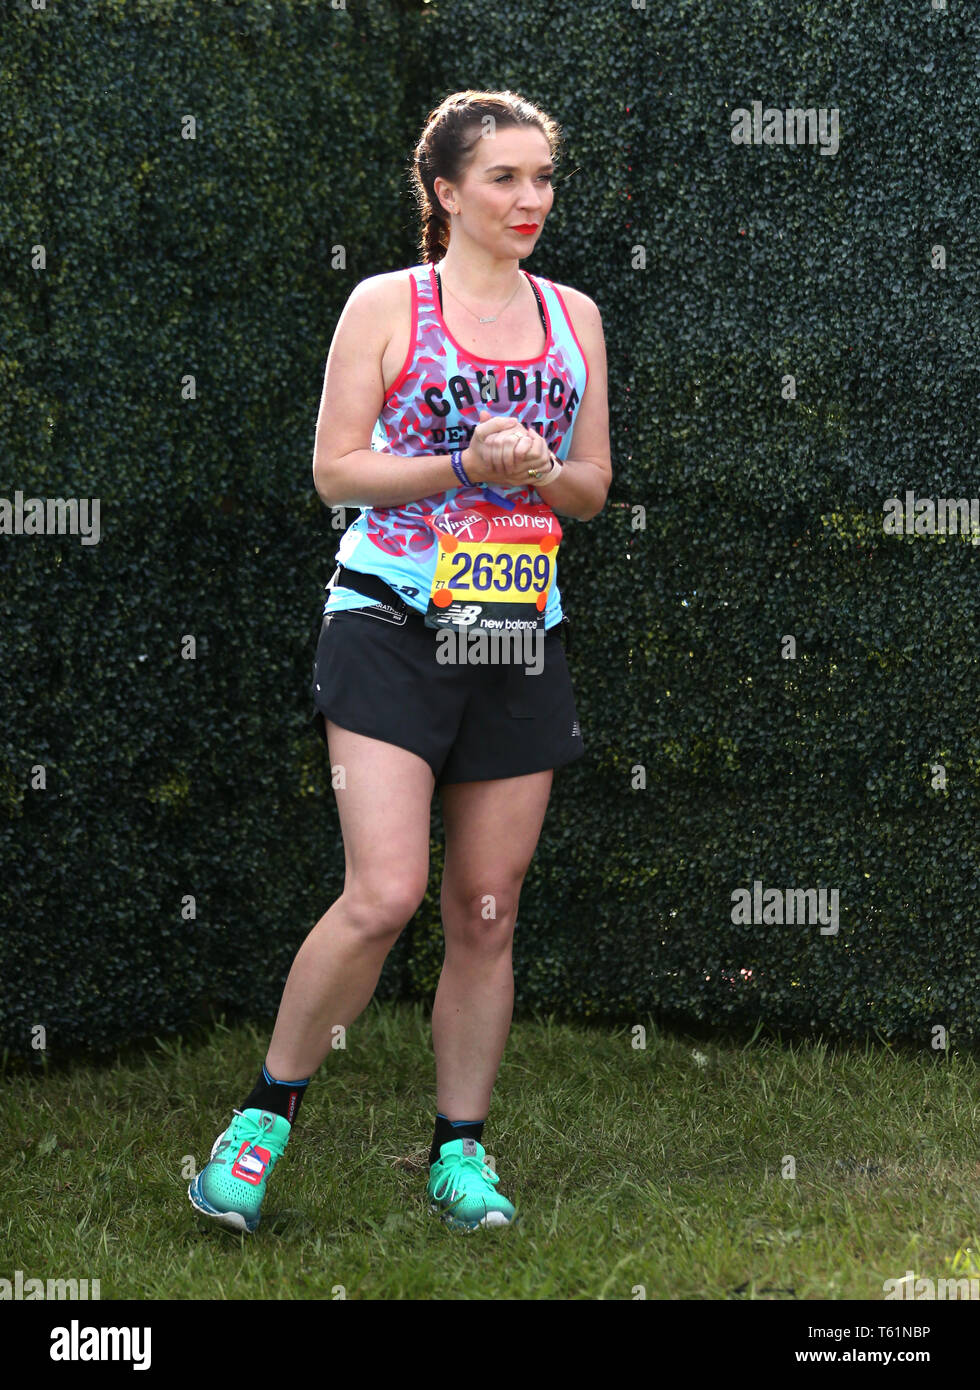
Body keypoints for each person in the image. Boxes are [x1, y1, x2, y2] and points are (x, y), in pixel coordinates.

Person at [188, 88, 611, 1235]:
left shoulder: (572, 313)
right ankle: (262, 1118)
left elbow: (589, 484)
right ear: (445, 190)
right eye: (504, 180)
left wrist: (531, 471)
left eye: (541, 179)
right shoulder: (387, 303)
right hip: (385, 617)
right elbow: (334, 471)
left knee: (485, 907)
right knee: (385, 892)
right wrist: (459, 464)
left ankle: (458, 1154)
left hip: (514, 625)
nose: (530, 200)